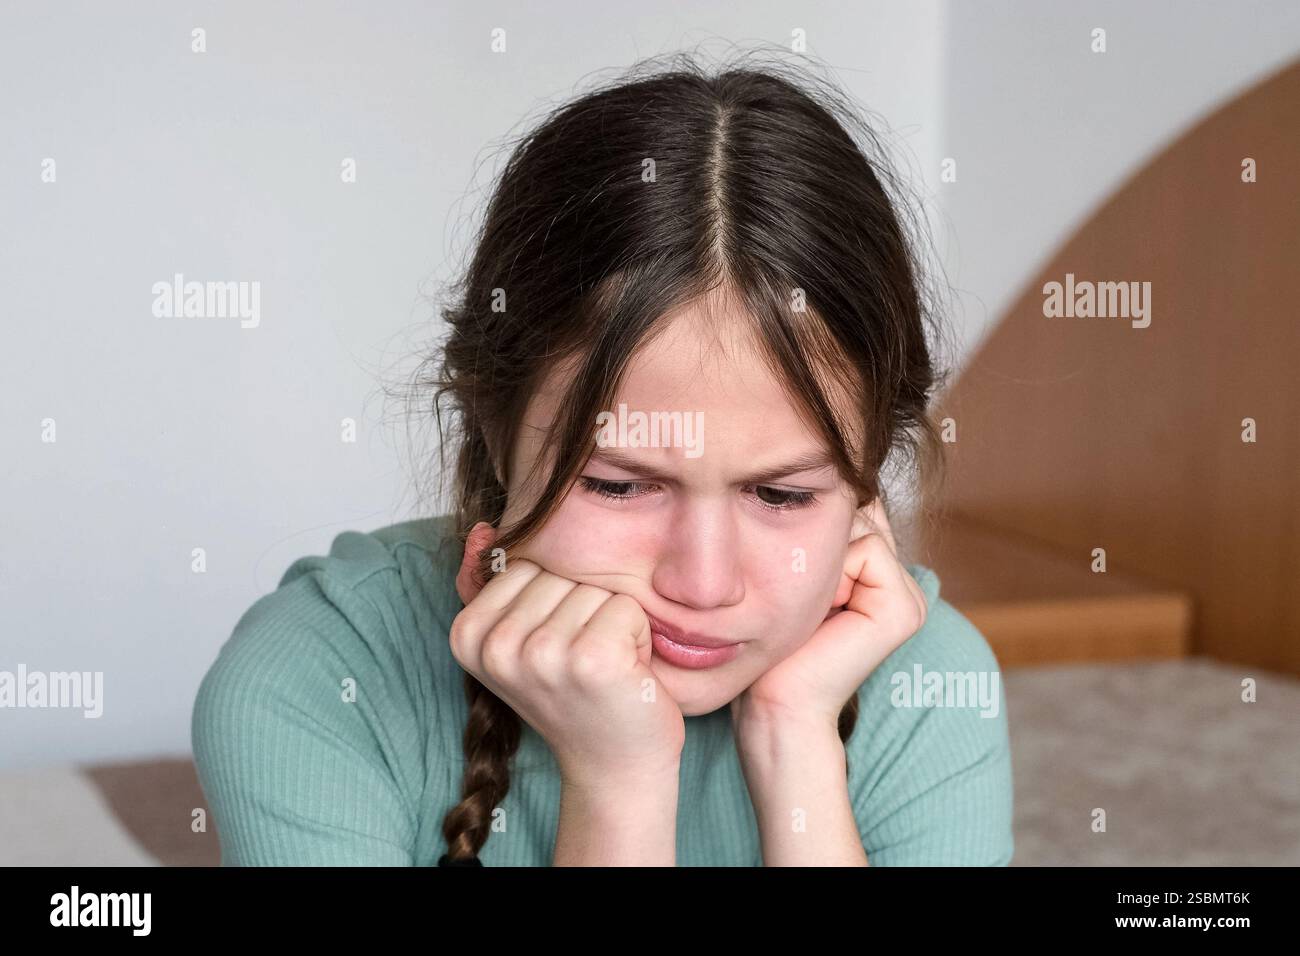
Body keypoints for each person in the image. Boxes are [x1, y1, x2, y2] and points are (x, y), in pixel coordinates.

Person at [191, 53, 1014, 866]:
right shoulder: (315, 677)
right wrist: (617, 781)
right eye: (619, 484)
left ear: (866, 480)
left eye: (782, 494)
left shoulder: (926, 682)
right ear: (492, 429)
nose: (702, 583)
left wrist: (796, 742)